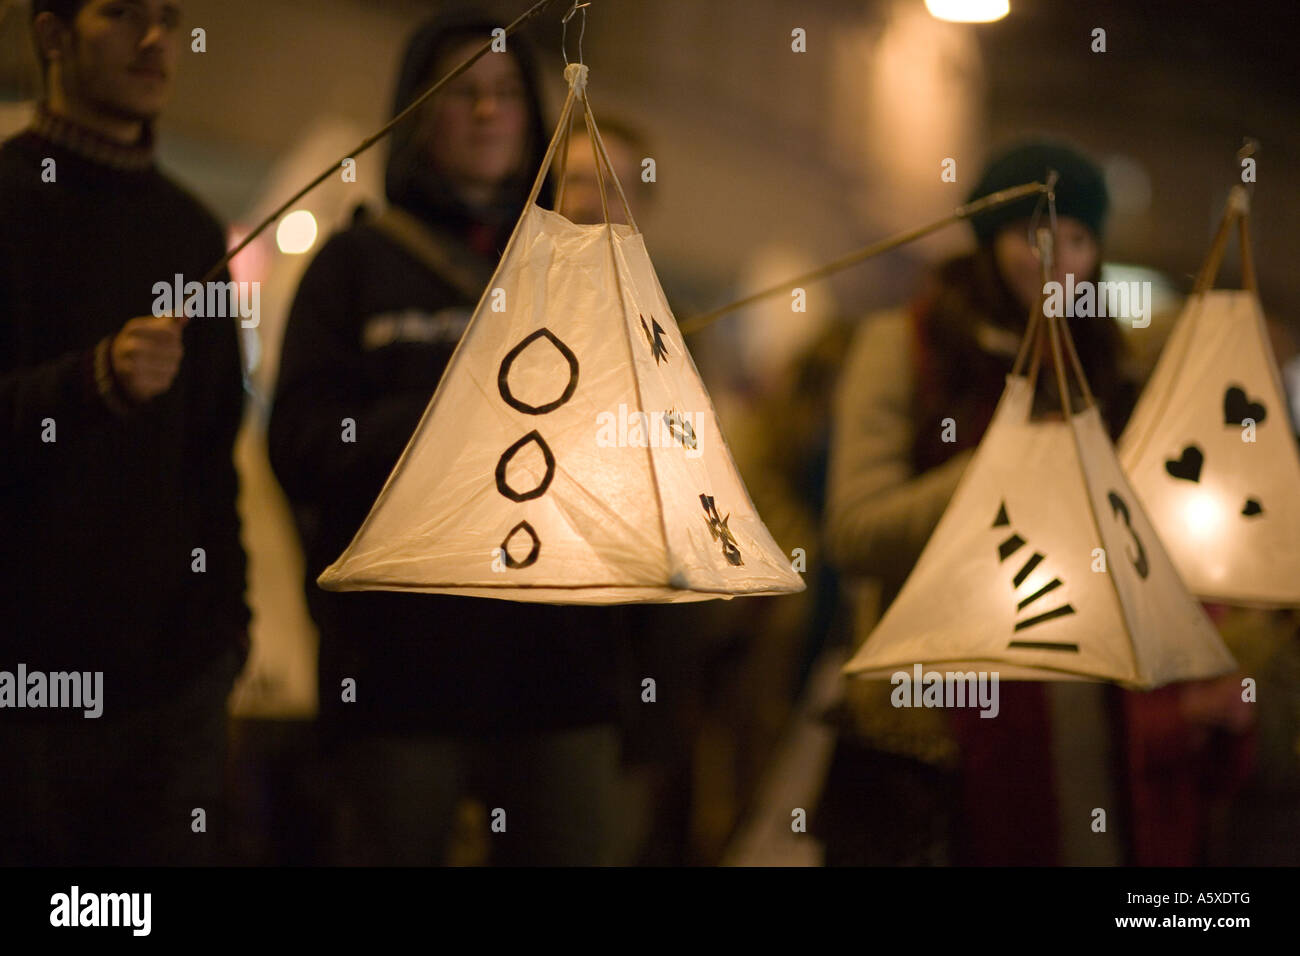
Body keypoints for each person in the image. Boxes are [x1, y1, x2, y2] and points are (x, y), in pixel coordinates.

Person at [818, 140, 1244, 865]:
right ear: (989, 240)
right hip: (948, 712)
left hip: (1089, 706)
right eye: (1032, 235)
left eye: (1078, 240)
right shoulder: (907, 345)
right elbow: (855, 533)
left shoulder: (1106, 362)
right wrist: (1003, 468)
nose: (1057, 261)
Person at [268, 11, 624, 866]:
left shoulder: (576, 268)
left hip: (559, 673)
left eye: (507, 93)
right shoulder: (354, 266)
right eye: (463, 93)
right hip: (400, 677)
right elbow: (302, 447)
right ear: (418, 111)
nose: (488, 112)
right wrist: (453, 406)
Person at [0, 0, 249, 865]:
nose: (154, 41)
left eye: (169, 19)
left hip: (168, 690)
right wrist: (89, 383)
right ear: (52, 33)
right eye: (122, 14)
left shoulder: (191, 229)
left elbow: (212, 457)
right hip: (24, 689)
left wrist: (226, 633)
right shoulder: (8, 201)